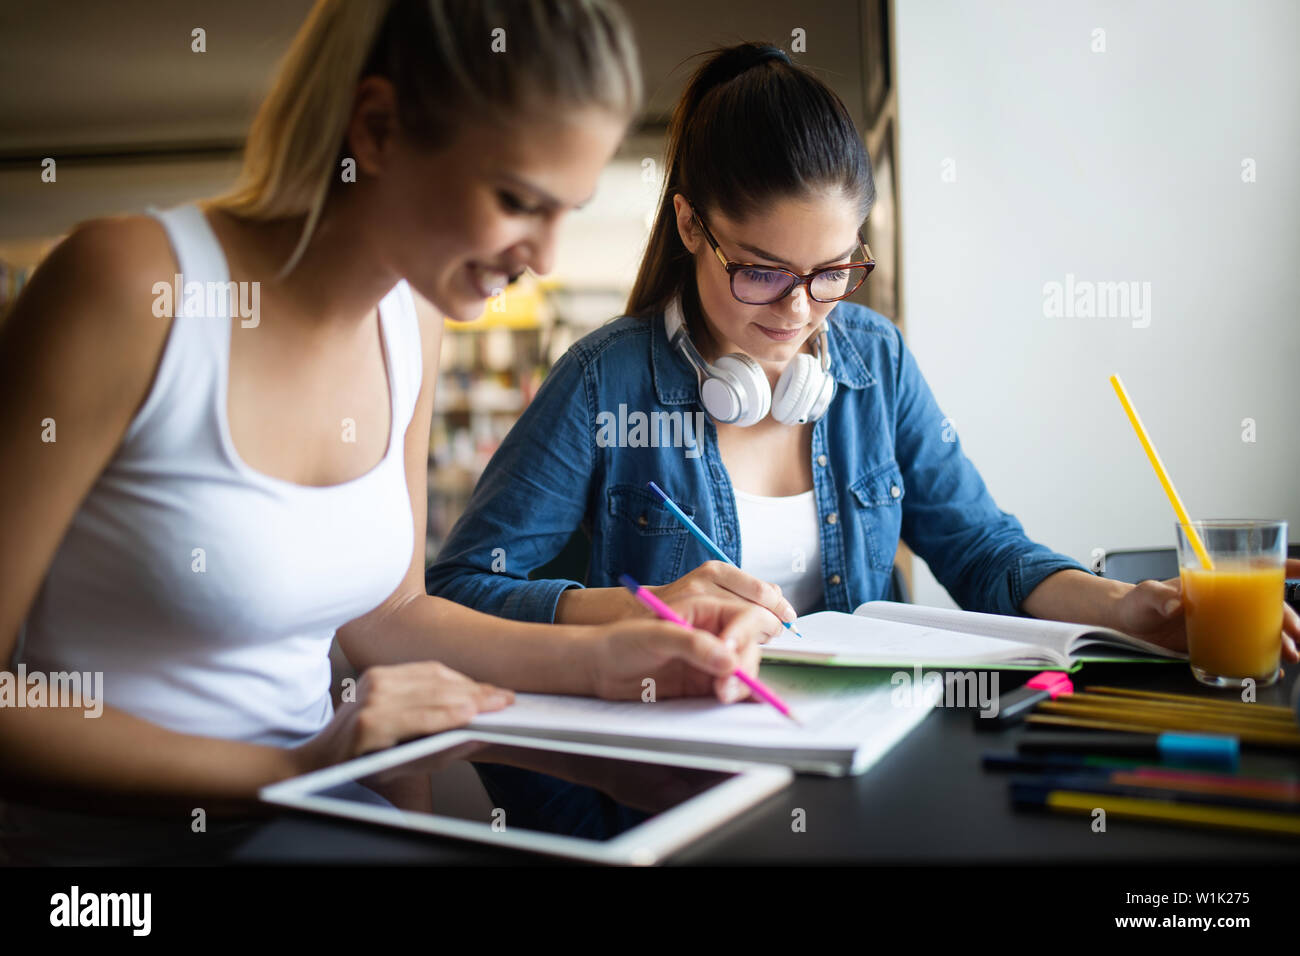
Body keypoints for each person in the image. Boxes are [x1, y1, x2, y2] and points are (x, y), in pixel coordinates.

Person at [0, 0, 778, 818]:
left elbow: (391, 616)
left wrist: (609, 657)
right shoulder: (126, 287)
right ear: (376, 129)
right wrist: (294, 766)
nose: (543, 258)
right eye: (517, 200)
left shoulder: (411, 319)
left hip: (318, 820)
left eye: (566, 212)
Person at [426, 42, 1300, 666]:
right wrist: (631, 608)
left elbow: (983, 550)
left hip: (856, 758)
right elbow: (457, 590)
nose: (802, 312)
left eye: (832, 271)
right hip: (680, 766)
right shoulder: (603, 381)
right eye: (764, 273)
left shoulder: (872, 360)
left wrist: (1122, 607)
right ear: (692, 225)